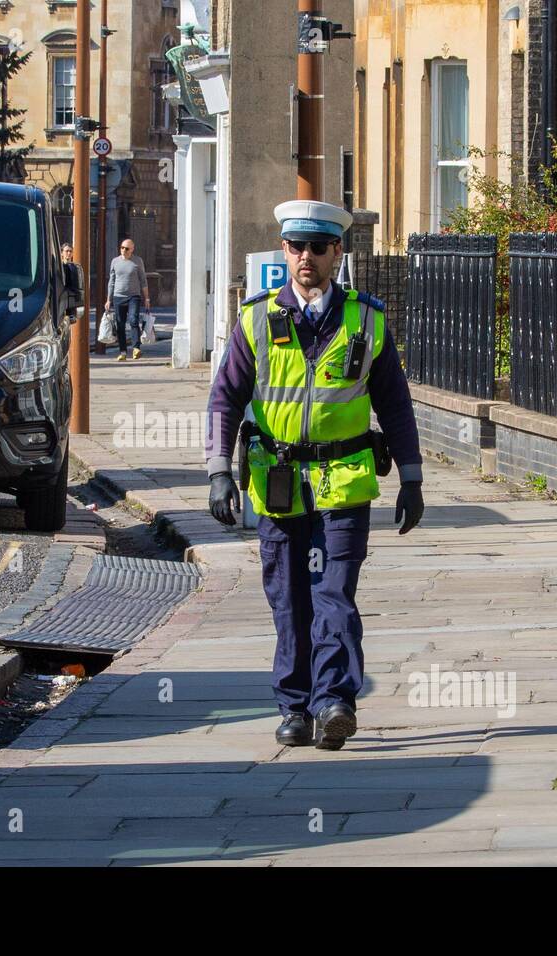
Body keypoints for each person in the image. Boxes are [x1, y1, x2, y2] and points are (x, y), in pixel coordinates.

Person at [204, 199, 426, 751]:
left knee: (334, 594)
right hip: (278, 482)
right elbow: (224, 399)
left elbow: (395, 404)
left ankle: (334, 702)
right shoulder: (255, 319)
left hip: (345, 479)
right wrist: (218, 471)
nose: (307, 257)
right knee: (288, 599)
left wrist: (413, 477)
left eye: (318, 247)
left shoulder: (366, 319)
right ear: (285, 251)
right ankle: (295, 707)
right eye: (296, 246)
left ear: (336, 253)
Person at [104, 238, 151, 361]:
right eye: (122, 247)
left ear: (132, 250)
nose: (123, 250)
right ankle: (123, 352)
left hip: (133, 296)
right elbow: (111, 281)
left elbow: (143, 280)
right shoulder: (115, 261)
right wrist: (108, 299)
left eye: (126, 248)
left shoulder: (137, 261)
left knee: (133, 320)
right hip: (118, 296)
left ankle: (136, 348)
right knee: (120, 325)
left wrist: (147, 298)